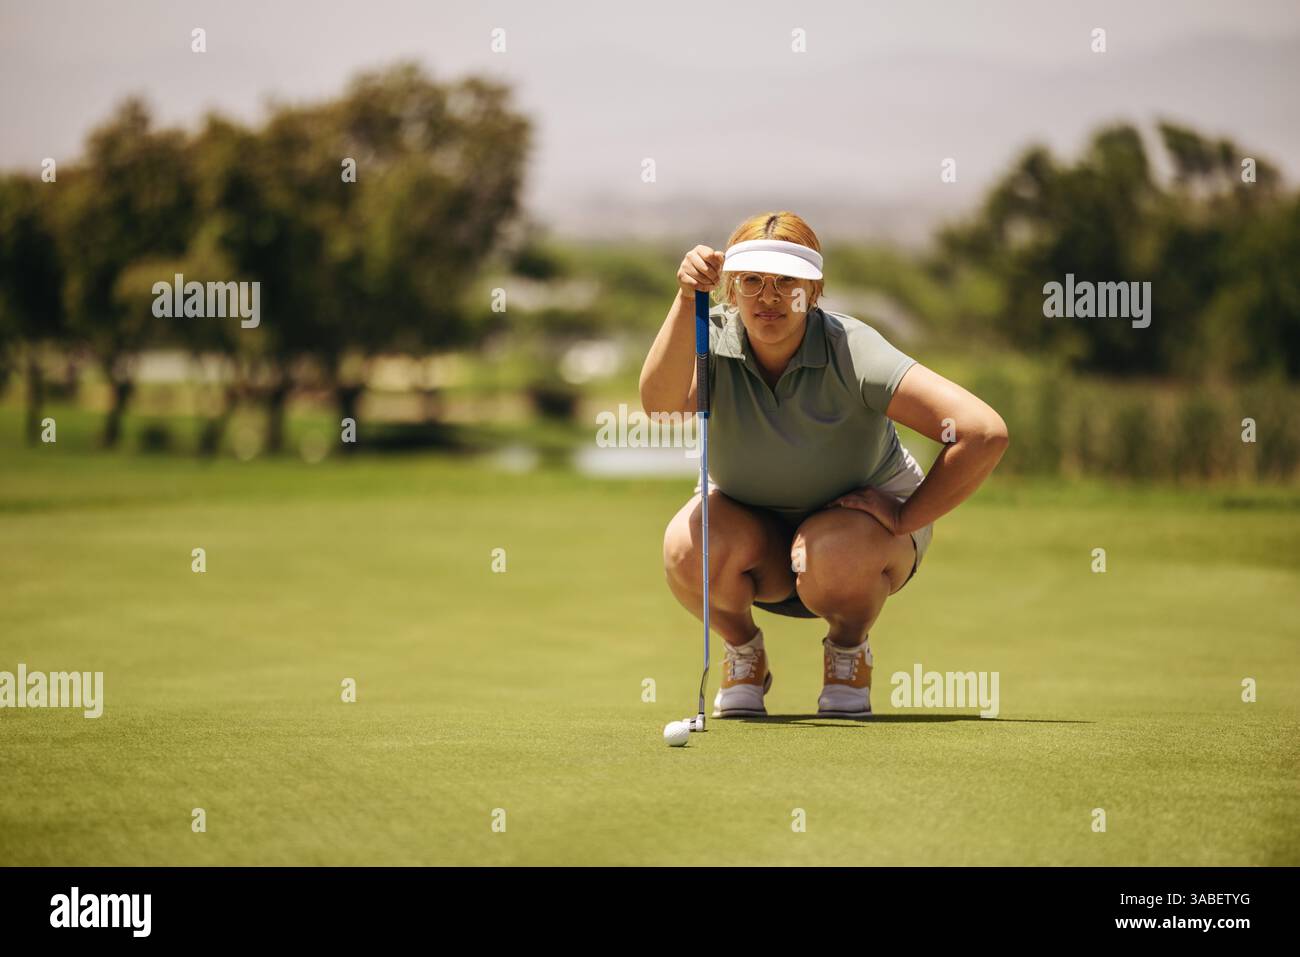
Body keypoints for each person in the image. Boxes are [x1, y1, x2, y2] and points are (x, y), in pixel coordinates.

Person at [639, 211, 1009, 718]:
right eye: (751, 282)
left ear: (812, 291)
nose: (768, 298)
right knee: (687, 546)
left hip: (857, 542)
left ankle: (848, 649)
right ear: (730, 288)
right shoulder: (712, 336)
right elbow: (661, 408)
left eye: (786, 283)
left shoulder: (852, 349)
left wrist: (905, 518)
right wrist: (685, 300)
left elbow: (982, 432)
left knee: (833, 549)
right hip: (754, 537)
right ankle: (743, 651)